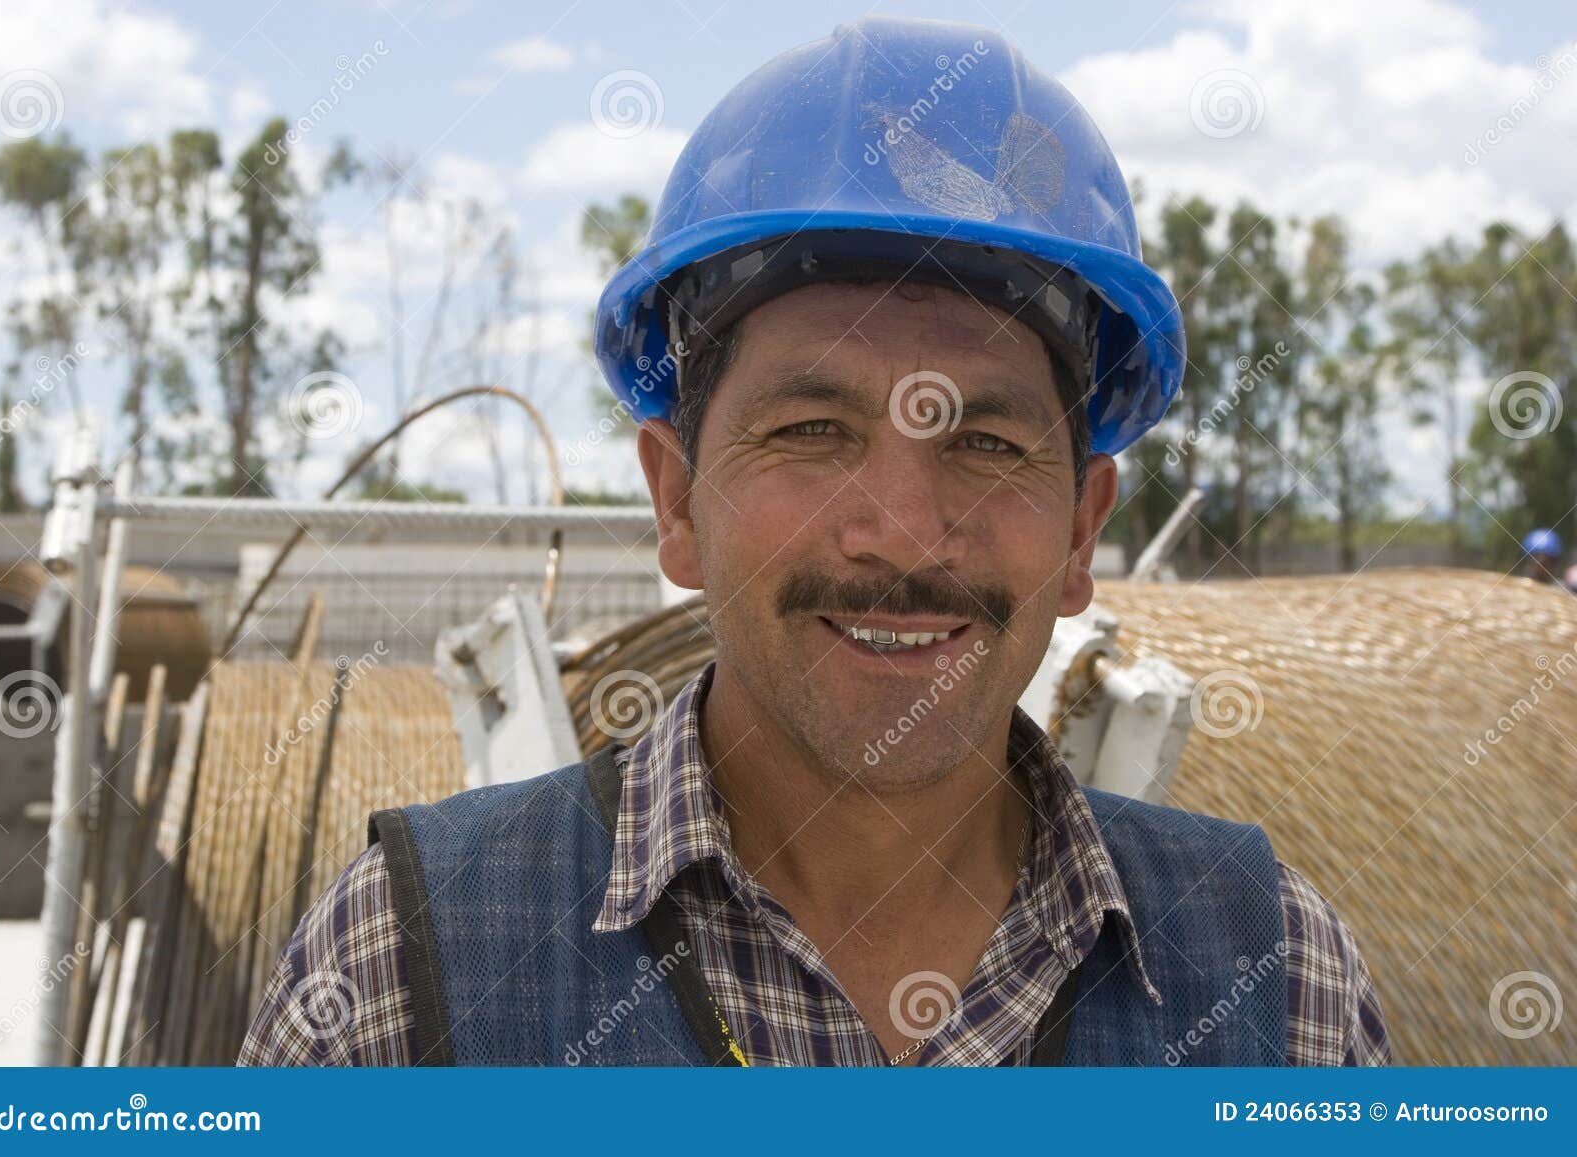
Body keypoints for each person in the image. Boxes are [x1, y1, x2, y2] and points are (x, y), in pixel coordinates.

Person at [240, 15, 1388, 1067]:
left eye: (986, 442)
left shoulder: (1280, 984)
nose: (900, 531)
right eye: (811, 429)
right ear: (676, 500)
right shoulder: (401, 968)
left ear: (1084, 526)